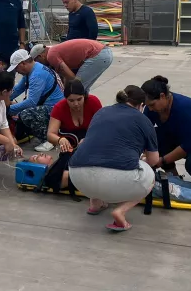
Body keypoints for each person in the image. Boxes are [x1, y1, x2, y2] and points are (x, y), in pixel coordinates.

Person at [68, 86, 158, 232]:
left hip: (77, 175)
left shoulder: (101, 112)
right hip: (116, 178)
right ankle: (120, 211)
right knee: (149, 174)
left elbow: (87, 142)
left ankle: (95, 205)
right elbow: (154, 160)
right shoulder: (143, 119)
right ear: (141, 105)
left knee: (96, 158)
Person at [42, 80, 103, 190]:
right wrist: (60, 140)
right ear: (66, 99)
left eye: (79, 99)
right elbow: (50, 134)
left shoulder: (93, 102)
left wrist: (88, 140)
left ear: (84, 95)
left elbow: (103, 129)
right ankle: (85, 179)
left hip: (94, 146)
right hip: (72, 148)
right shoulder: (59, 107)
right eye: (71, 101)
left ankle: (79, 178)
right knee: (51, 179)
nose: (76, 104)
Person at [8, 49, 64, 150]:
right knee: (20, 109)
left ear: (23, 63)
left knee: (25, 114)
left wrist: (8, 109)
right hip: (53, 107)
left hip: (56, 110)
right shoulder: (34, 69)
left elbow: (31, 102)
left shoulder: (37, 74)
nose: (16, 71)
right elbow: (18, 89)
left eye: (16, 68)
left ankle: (48, 140)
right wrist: (4, 98)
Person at [29, 39, 113, 92]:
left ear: (41, 56)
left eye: (36, 61)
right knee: (83, 89)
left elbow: (72, 78)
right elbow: (65, 77)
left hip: (98, 55)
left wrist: (63, 96)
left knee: (76, 88)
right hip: (104, 53)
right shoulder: (54, 50)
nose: (38, 64)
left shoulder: (51, 55)